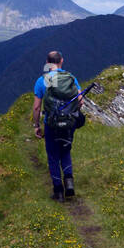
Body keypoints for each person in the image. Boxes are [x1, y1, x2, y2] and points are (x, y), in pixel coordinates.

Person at [31, 51, 81, 201]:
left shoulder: (42, 81)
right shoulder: (71, 78)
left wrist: (36, 125)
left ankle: (58, 192)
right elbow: (80, 100)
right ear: (62, 61)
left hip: (51, 124)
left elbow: (36, 108)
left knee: (53, 157)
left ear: (47, 62)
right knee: (65, 152)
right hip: (68, 123)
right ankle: (69, 184)